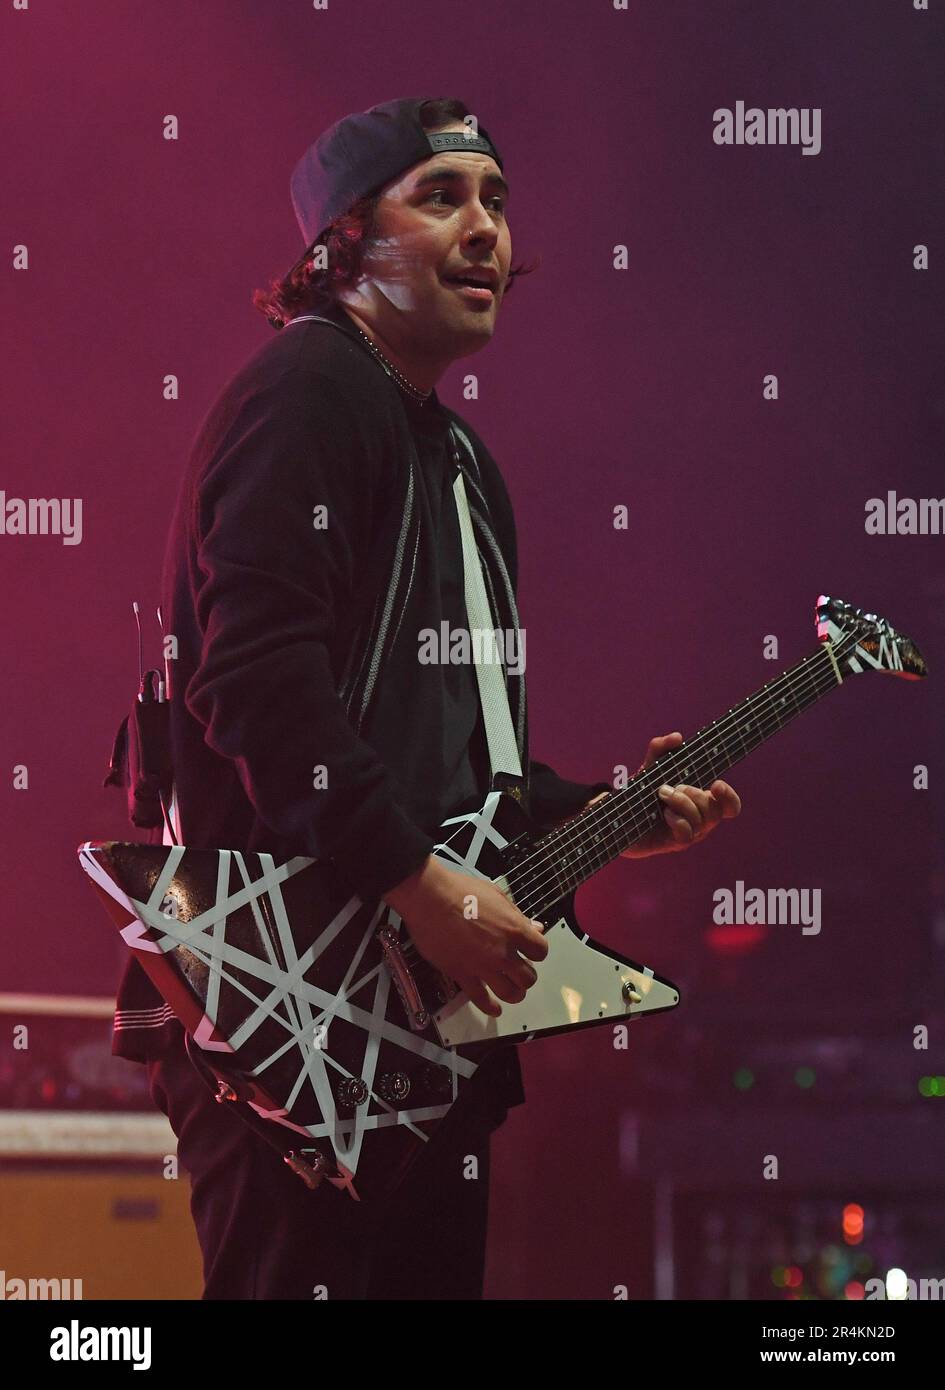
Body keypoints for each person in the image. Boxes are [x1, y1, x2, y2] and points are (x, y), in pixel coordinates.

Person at [110, 95, 741, 1300]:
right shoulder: (307, 392)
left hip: (412, 1020)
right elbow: (253, 680)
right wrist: (409, 873)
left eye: (497, 201)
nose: (485, 229)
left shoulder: (457, 462)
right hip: (289, 1006)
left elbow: (463, 780)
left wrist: (609, 809)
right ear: (338, 247)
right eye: (440, 196)